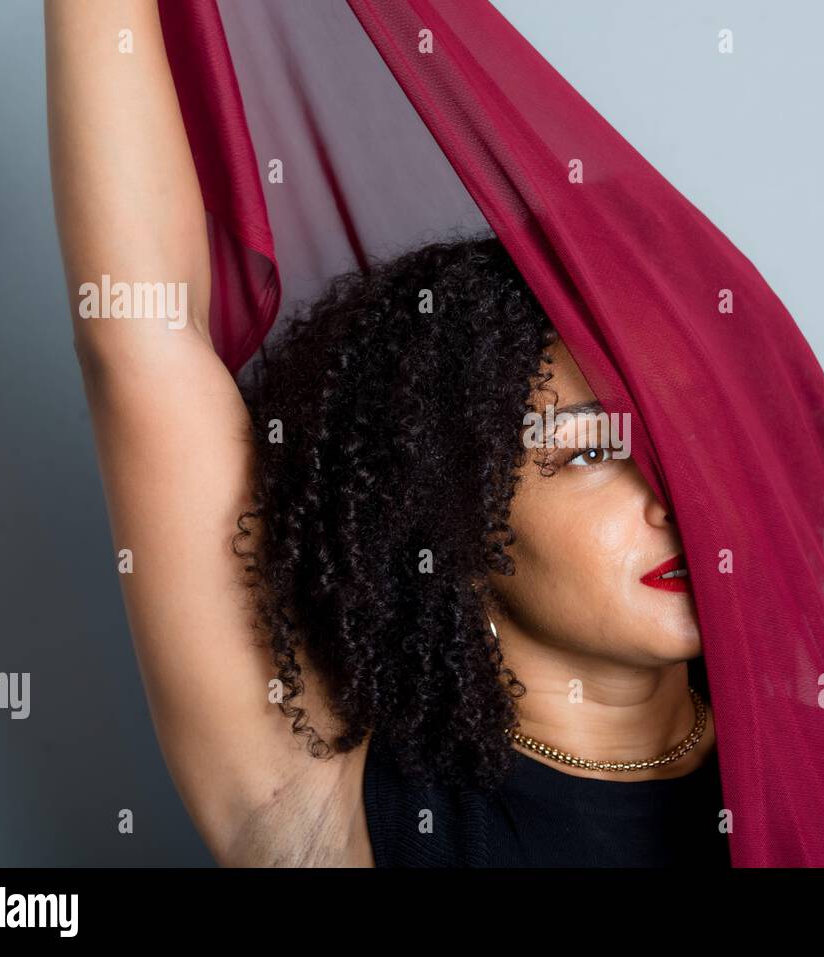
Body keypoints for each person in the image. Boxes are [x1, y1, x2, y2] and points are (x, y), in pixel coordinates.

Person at [45, 0, 728, 867]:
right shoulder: (327, 799)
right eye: (590, 449)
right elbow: (140, 338)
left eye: (678, 437)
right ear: (453, 516)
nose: (669, 496)